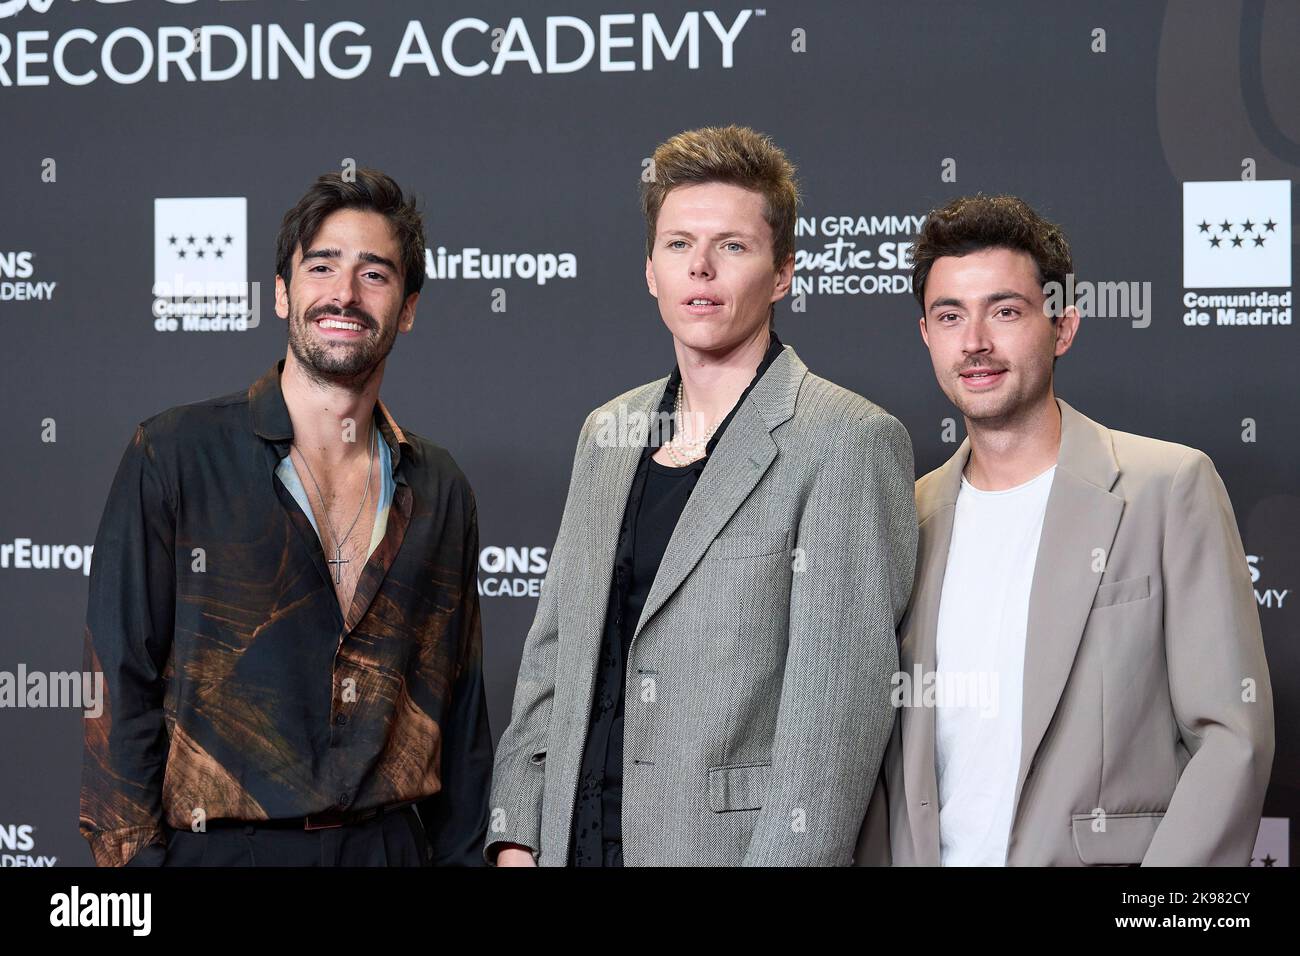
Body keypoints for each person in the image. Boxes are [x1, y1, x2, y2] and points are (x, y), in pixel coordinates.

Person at [487, 125, 917, 866]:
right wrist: (517, 836)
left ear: (782, 272)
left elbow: (833, 727)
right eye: (679, 244)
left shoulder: (846, 439)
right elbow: (553, 657)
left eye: (733, 246)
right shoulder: (607, 433)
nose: (702, 269)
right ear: (651, 269)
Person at [80, 169, 492, 866]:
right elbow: (118, 683)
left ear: (410, 306)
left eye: (375, 274)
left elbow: (461, 706)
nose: (344, 294)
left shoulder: (439, 485)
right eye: (322, 267)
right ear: (282, 293)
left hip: (387, 849)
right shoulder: (175, 454)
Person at [859, 194, 1273, 866]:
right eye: (950, 316)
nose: (975, 343)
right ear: (927, 335)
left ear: (1064, 326)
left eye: (1006, 311)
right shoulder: (907, 514)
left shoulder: (1166, 488)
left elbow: (1233, 737)